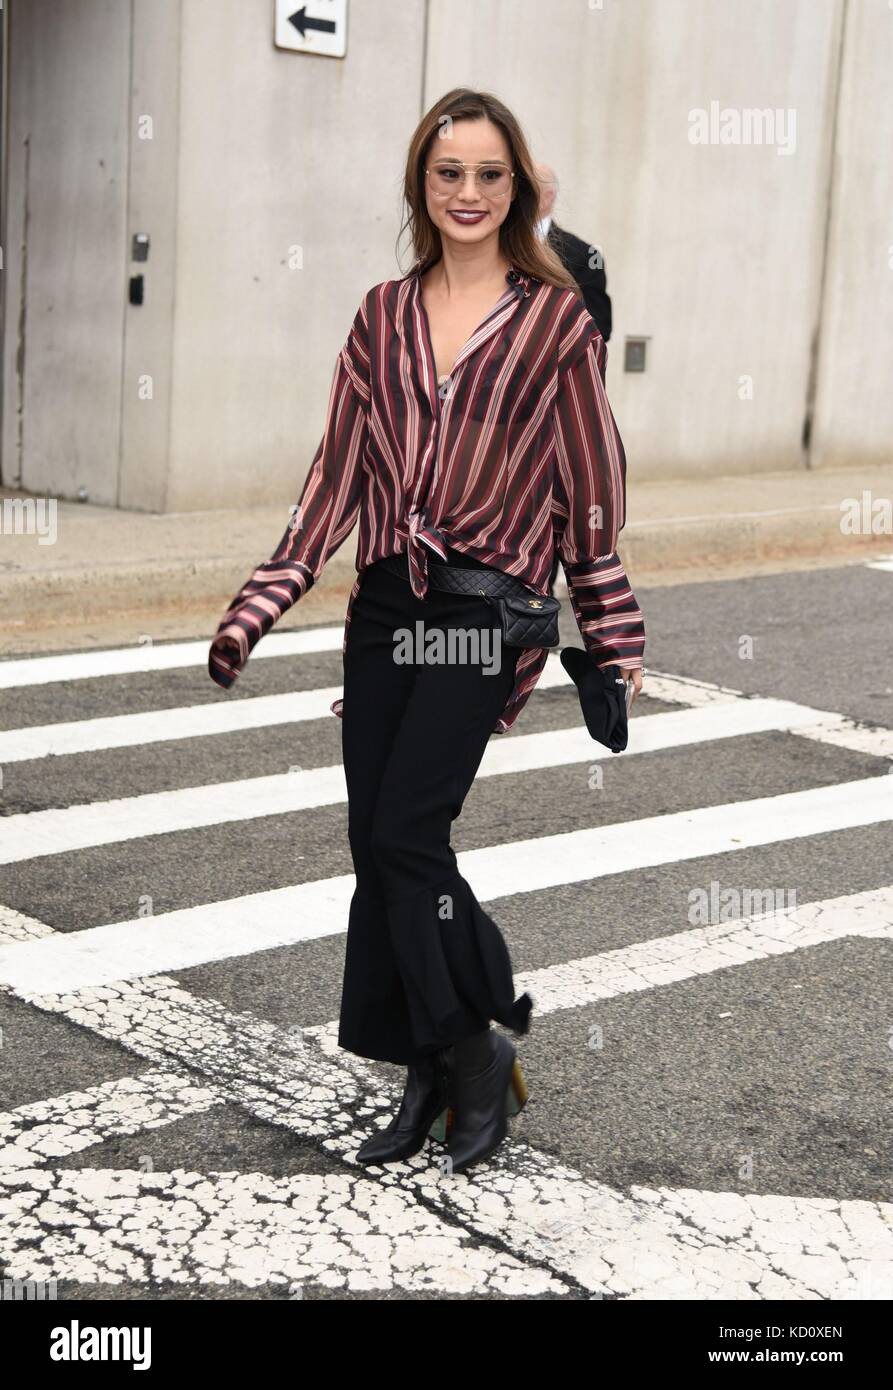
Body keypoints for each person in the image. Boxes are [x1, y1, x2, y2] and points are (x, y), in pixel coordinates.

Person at [208, 87, 645, 1177]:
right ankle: (429, 1067)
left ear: (516, 187)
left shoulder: (553, 325)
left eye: (488, 174)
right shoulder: (379, 313)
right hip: (386, 608)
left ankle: (474, 1040)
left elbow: (589, 484)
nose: (466, 192)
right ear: (421, 183)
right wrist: (264, 598)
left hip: (476, 609)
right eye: (447, 173)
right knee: (382, 850)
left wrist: (608, 631)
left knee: (406, 831)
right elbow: (336, 474)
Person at [534, 161, 614, 594]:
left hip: (553, 405)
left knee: (547, 507)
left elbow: (598, 332)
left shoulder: (582, 255)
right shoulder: (488, 249)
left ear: (548, 195)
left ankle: (533, 601)